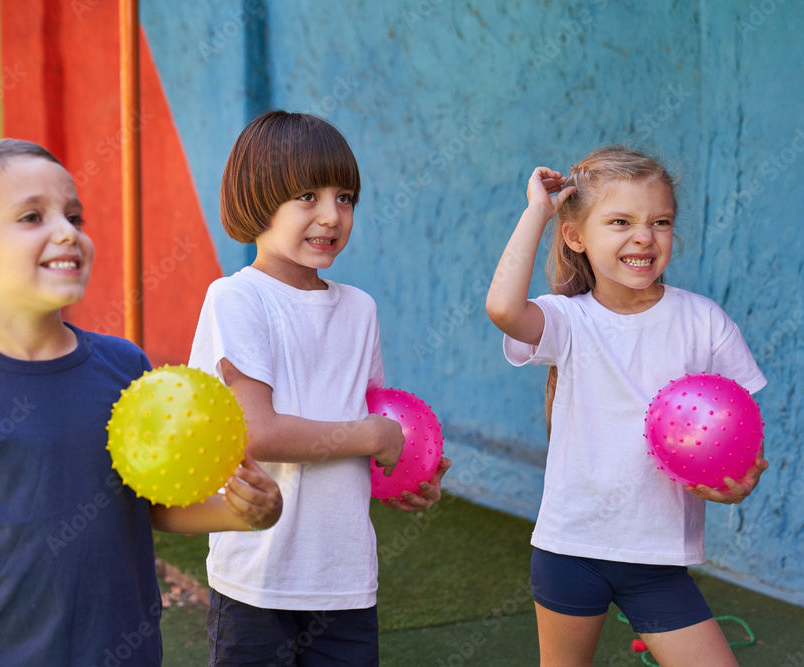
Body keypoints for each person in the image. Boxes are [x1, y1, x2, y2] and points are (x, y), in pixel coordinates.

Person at [0, 139, 282, 667]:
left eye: (74, 214)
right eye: (33, 216)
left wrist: (241, 514)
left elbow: (148, 504)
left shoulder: (126, 369)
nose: (68, 231)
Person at [486, 146, 768, 666]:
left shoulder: (704, 321)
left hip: (657, 561)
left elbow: (743, 429)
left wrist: (742, 480)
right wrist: (537, 213)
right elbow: (503, 308)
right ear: (577, 237)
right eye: (620, 221)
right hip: (571, 550)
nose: (644, 236)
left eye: (660, 222)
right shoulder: (568, 321)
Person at [188, 110, 452, 666]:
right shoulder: (237, 299)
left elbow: (374, 423)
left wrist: (402, 475)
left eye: (346, 197)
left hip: (345, 579)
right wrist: (373, 436)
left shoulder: (360, 309)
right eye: (307, 196)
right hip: (258, 579)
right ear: (257, 200)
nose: (332, 215)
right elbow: (258, 432)